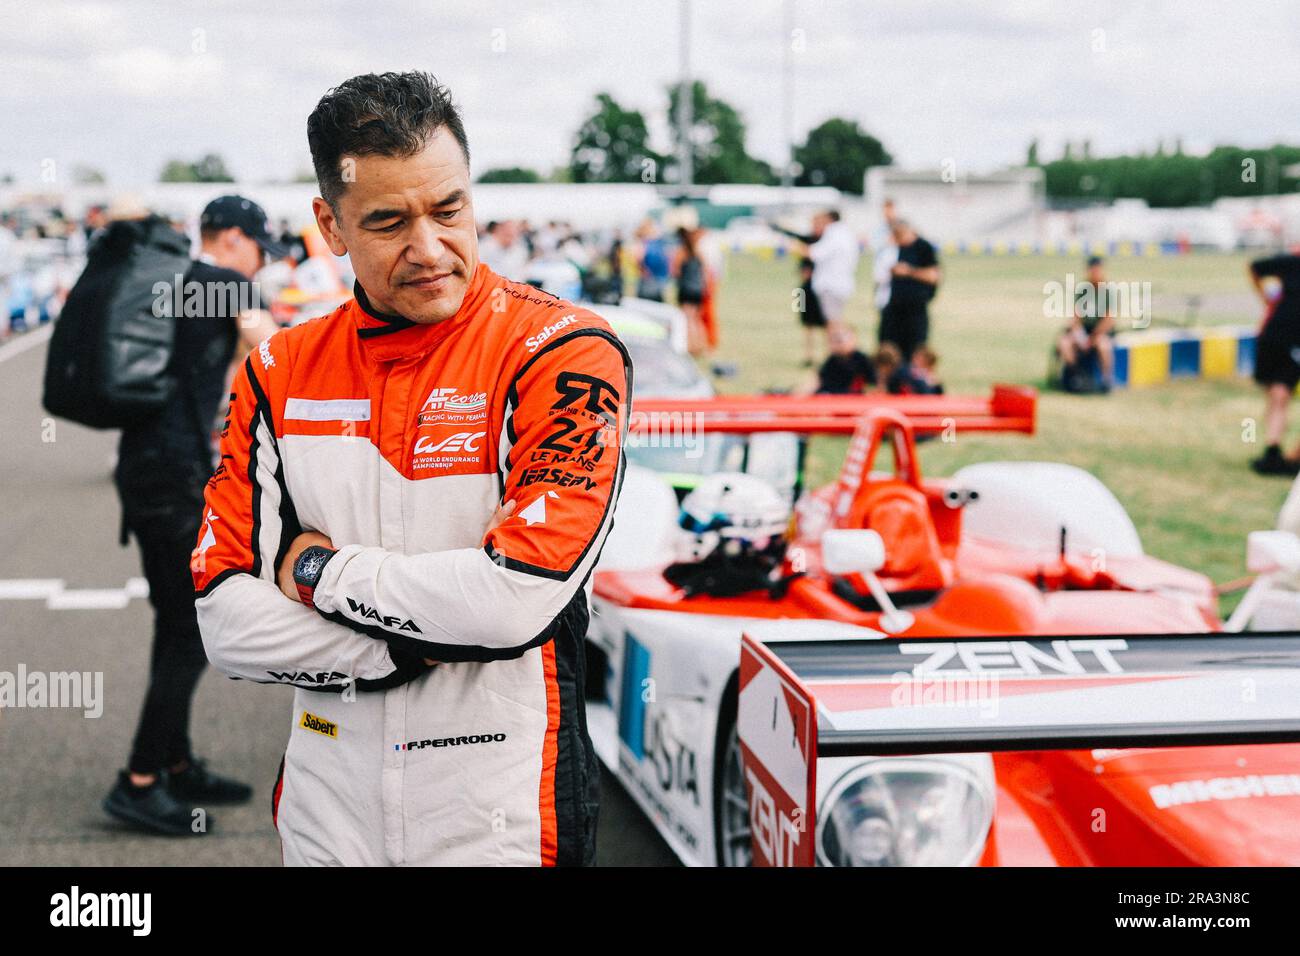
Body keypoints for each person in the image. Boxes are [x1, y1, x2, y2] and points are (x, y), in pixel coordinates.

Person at [191, 71, 630, 866]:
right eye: (388, 221)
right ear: (330, 225)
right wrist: (398, 650)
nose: (429, 250)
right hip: (328, 806)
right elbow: (225, 623)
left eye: (450, 210)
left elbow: (513, 602)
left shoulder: (563, 352)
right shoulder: (278, 370)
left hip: (498, 812)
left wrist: (320, 573)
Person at [103, 195, 283, 836]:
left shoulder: (171, 283)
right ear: (233, 238)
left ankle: (174, 762)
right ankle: (140, 780)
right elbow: (270, 349)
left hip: (144, 469)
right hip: (173, 477)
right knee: (189, 629)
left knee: (172, 620)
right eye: (261, 248)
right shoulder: (224, 283)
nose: (263, 262)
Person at [1249, 251, 1300, 475]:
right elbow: (1255, 267)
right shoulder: (1292, 261)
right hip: (1279, 338)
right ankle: (1276, 451)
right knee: (1277, 394)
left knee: (1278, 395)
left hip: (1283, 338)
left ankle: (1277, 451)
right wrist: (1266, 298)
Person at [879, 219, 940, 360]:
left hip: (915, 308)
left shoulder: (923, 247)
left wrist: (909, 271)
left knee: (915, 349)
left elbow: (934, 276)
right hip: (892, 307)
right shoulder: (891, 249)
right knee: (888, 348)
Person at [1056, 256, 1116, 392]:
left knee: (1103, 345)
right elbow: (1076, 316)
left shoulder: (1107, 290)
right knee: (1064, 343)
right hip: (1084, 331)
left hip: (1100, 332)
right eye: (1092, 270)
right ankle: (1076, 375)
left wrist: (1093, 337)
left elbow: (1109, 320)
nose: (1095, 273)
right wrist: (1078, 334)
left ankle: (1107, 380)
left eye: (1097, 270)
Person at [796, 323, 875, 395]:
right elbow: (818, 380)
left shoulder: (862, 360)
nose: (839, 343)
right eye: (834, 339)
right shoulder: (832, 360)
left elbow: (872, 384)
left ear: (854, 339)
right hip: (831, 396)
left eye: (842, 338)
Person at [674, 226, 711, 355]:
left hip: (686, 290)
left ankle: (691, 347)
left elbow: (676, 271)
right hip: (698, 290)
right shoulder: (698, 252)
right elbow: (705, 271)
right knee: (696, 319)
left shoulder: (681, 252)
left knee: (687, 319)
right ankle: (701, 345)